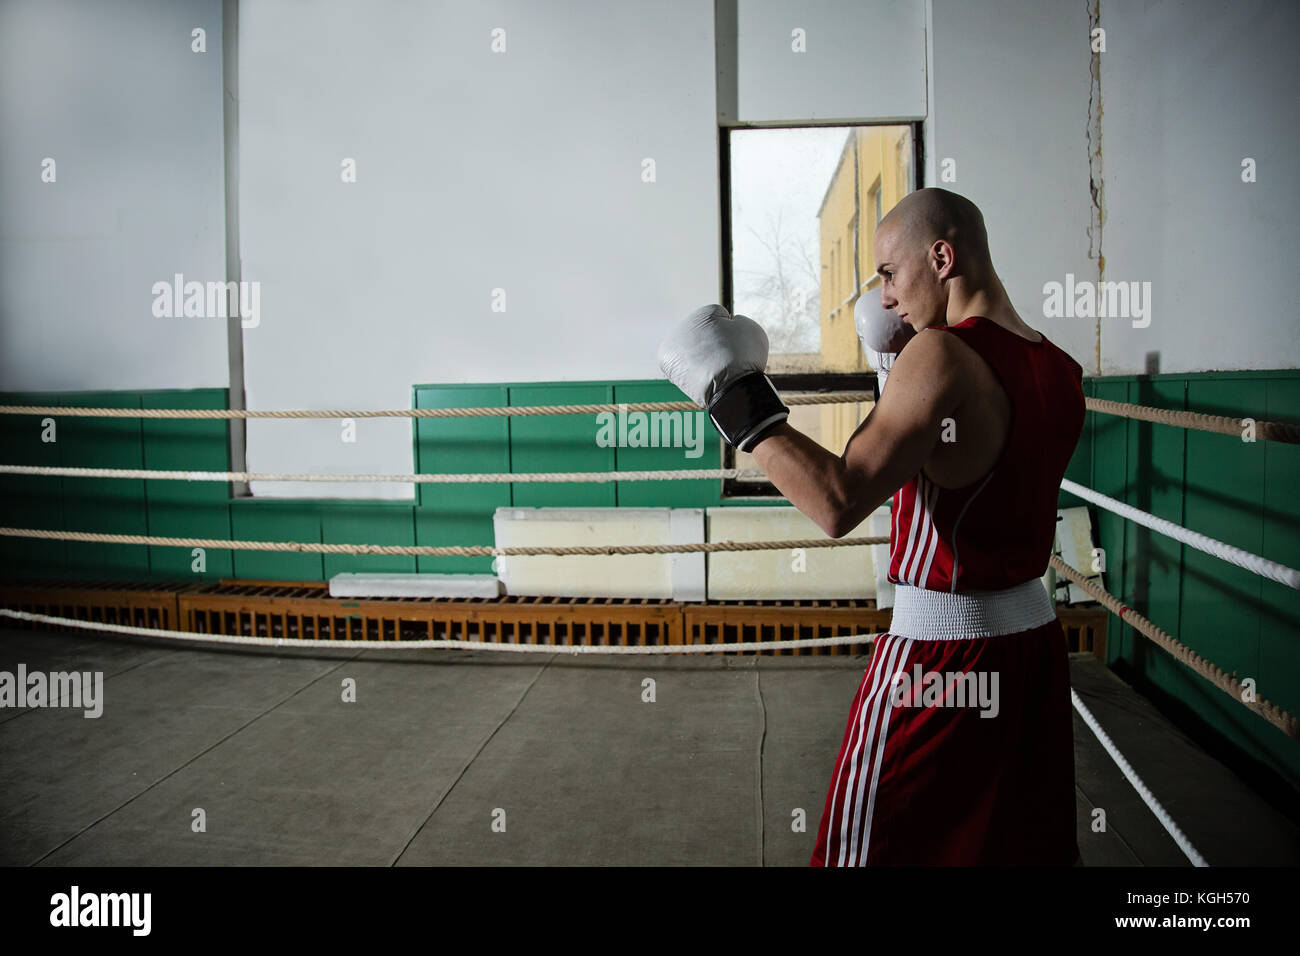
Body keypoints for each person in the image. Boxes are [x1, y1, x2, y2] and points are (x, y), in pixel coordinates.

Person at [658, 187, 1084, 866]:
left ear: (941, 257)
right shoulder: (1060, 370)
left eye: (889, 272)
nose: (884, 297)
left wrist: (730, 392)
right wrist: (895, 370)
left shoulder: (942, 357)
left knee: (859, 853)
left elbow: (836, 501)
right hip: (1031, 651)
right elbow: (968, 466)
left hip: (938, 660)